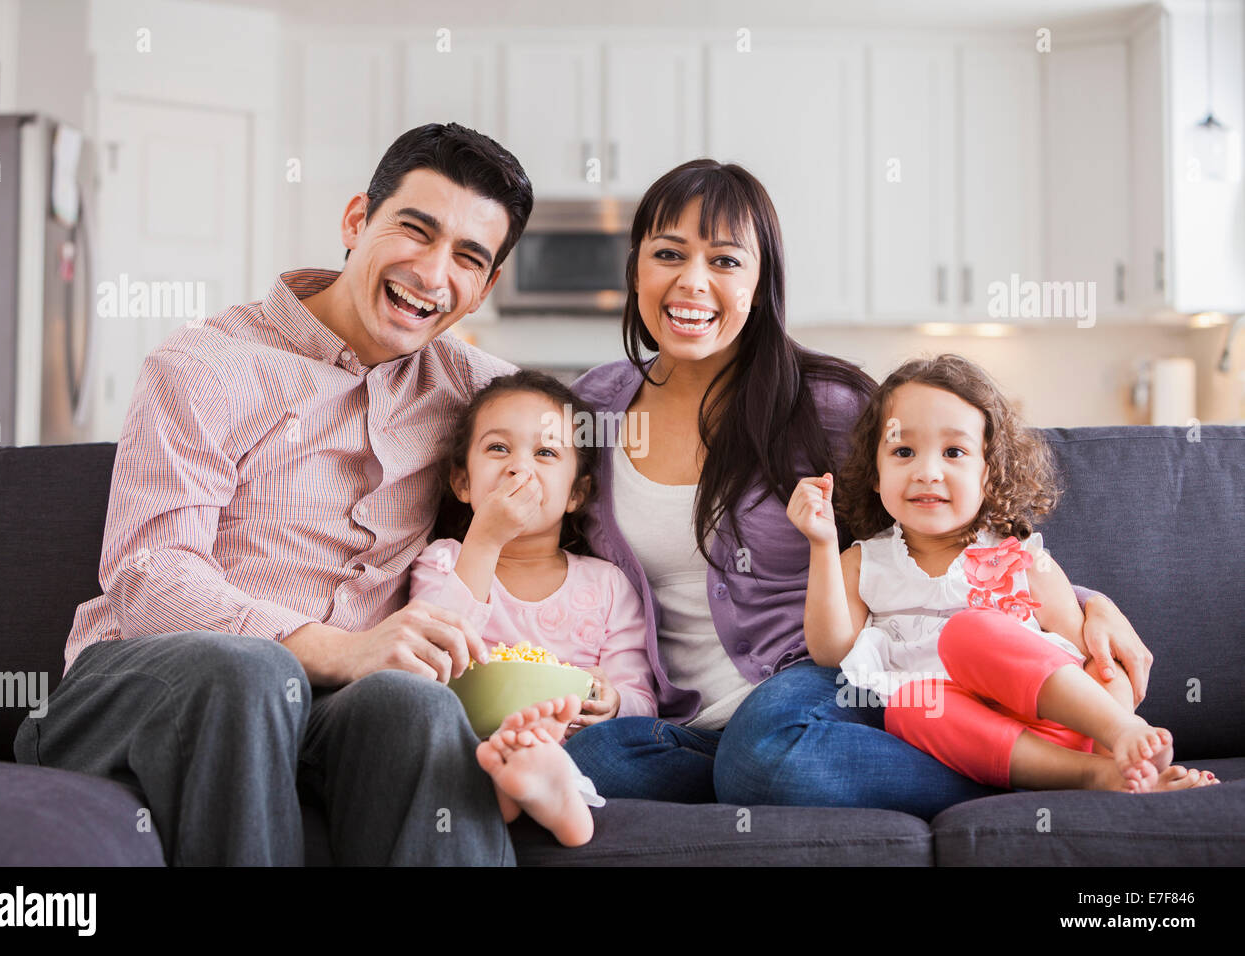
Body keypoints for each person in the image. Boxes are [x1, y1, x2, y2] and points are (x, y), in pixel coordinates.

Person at [564, 158, 1158, 819]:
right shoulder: (593, 408)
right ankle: (771, 772)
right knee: (591, 759)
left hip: (820, 683)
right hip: (682, 719)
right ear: (637, 269)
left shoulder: (827, 402)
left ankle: (1036, 769)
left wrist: (1085, 601)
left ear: (760, 285)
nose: (692, 281)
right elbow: (542, 542)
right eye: (668, 253)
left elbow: (951, 508)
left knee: (766, 757)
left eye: (726, 261)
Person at [14, 122, 538, 865]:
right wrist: (345, 650)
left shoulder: (470, 390)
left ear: (484, 287)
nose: (431, 273)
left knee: (415, 704)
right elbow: (149, 579)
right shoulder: (205, 363)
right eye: (415, 232)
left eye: (467, 259)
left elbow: (587, 436)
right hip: (146, 685)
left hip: (329, 716)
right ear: (358, 221)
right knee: (252, 669)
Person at [786, 353, 1218, 794]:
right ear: (876, 473)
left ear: (989, 473)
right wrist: (821, 543)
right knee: (909, 707)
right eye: (903, 451)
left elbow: (1101, 663)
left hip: (1070, 722)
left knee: (967, 633)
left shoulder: (1022, 560)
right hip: (1005, 751)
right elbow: (832, 652)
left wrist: (1122, 730)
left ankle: (1117, 756)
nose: (927, 472)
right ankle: (1097, 776)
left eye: (954, 452)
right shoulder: (863, 563)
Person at [408, 369, 656, 845]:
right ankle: (513, 786)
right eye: (499, 449)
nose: (520, 468)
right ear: (462, 480)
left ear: (576, 494)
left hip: (569, 742)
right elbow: (430, 653)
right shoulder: (445, 561)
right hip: (468, 736)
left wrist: (613, 702)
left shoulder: (607, 585)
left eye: (545, 453)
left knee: (603, 748)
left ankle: (547, 788)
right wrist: (485, 540)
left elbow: (640, 697)